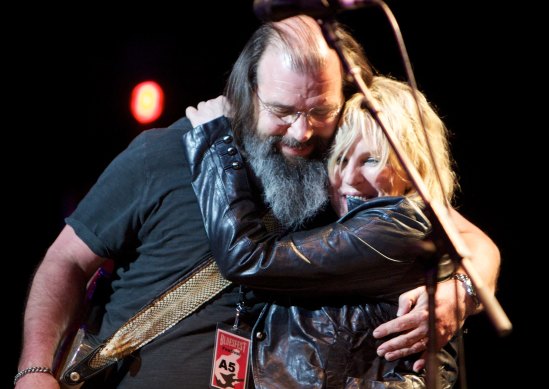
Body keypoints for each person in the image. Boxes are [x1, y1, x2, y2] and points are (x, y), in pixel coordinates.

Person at [16, 15, 498, 389]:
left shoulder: (346, 169)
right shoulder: (166, 153)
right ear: (247, 93)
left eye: (320, 111)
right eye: (282, 111)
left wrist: (463, 291)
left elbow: (460, 234)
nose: (302, 131)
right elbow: (66, 263)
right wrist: (34, 368)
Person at [185, 73, 490, 387]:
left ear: (413, 165)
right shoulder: (358, 224)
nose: (350, 178)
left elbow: (248, 257)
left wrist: (214, 143)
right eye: (340, 159)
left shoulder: (402, 224)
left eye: (371, 160)